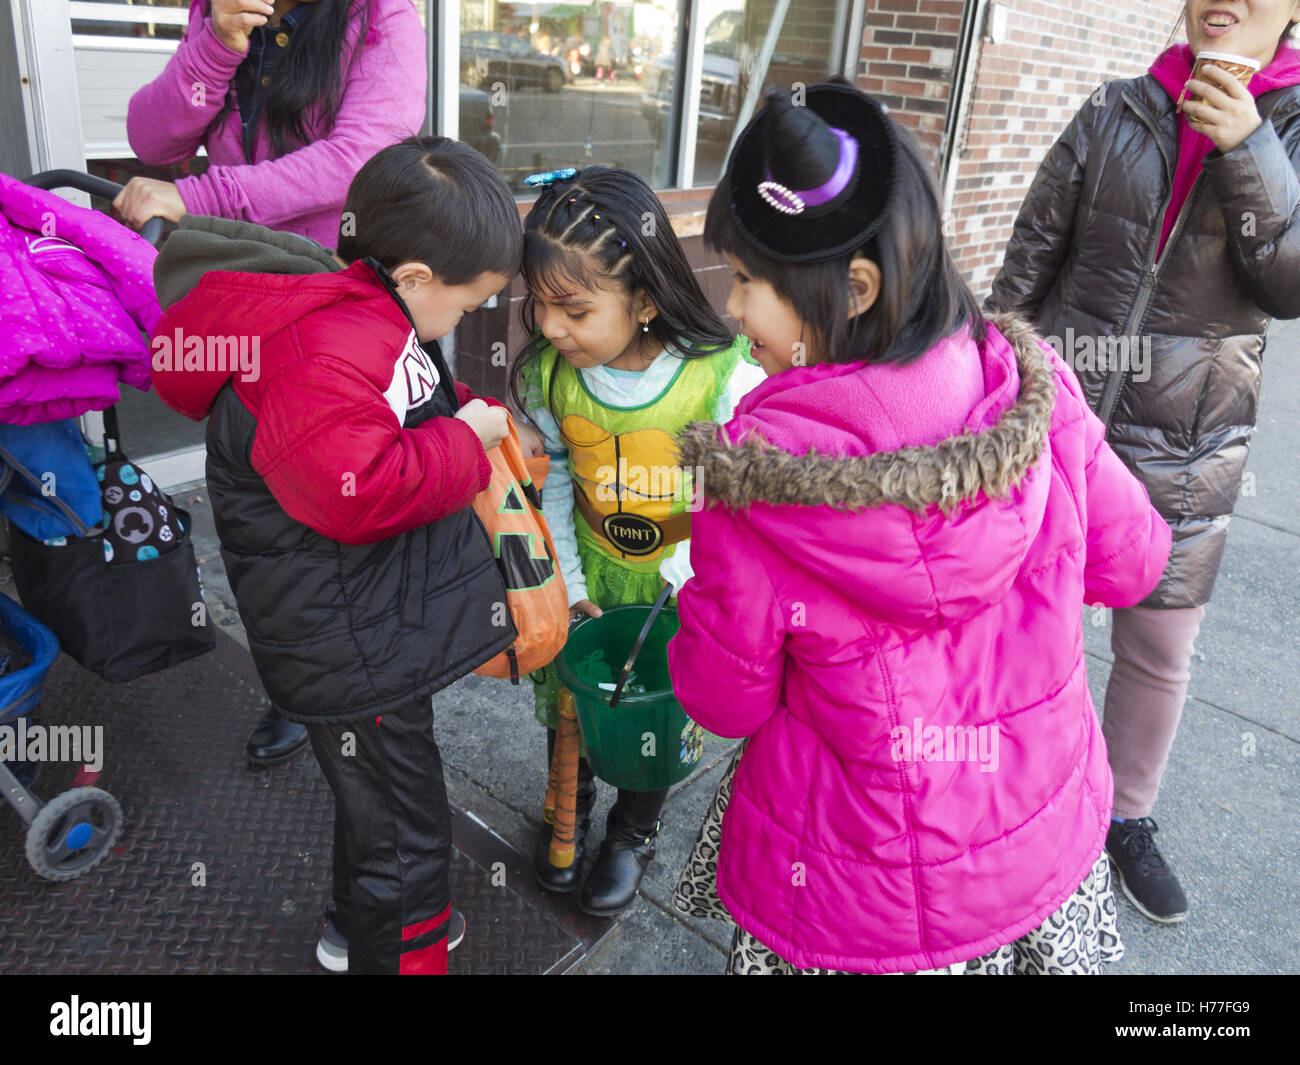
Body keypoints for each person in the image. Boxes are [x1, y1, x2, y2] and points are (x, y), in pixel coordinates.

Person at [666, 82, 1172, 974]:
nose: (733, 309)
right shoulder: (1031, 383)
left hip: (851, 890)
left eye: (747, 282)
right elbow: (1135, 562)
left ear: (852, 287)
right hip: (1033, 842)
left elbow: (722, 699)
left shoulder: (754, 488)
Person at [150, 136, 521, 974]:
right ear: (417, 276)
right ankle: (400, 950)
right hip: (350, 644)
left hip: (352, 625)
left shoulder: (357, 312)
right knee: (407, 825)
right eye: (468, 305)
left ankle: (355, 927)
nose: (461, 322)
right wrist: (464, 441)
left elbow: (395, 405)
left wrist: (461, 412)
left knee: (377, 804)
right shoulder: (333, 347)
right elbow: (360, 488)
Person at [987, 1, 1300, 924]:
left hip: (1193, 443)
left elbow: (1288, 286)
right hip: (1063, 423)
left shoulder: (1290, 127)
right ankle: (1012, 797)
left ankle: (1126, 816)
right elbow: (1028, 263)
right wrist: (999, 386)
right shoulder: (1115, 110)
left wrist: (1246, 148)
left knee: (1158, 647)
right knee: (1015, 622)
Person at [116, 0, 428, 766]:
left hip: (337, 306)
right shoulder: (219, 11)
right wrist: (218, 42)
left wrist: (199, 198)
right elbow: (151, 136)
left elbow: (358, 157)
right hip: (240, 306)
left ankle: (369, 687)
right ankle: (296, 684)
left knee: (339, 508)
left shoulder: (382, 15)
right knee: (259, 517)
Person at [510, 166, 762, 915]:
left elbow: (730, 500)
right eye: (540, 304)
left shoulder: (720, 379)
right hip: (589, 573)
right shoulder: (555, 376)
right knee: (579, 701)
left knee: (653, 710)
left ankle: (631, 830)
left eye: (574, 309)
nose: (550, 327)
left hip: (676, 590)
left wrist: (683, 577)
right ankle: (569, 805)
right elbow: (552, 478)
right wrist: (568, 584)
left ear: (646, 299)